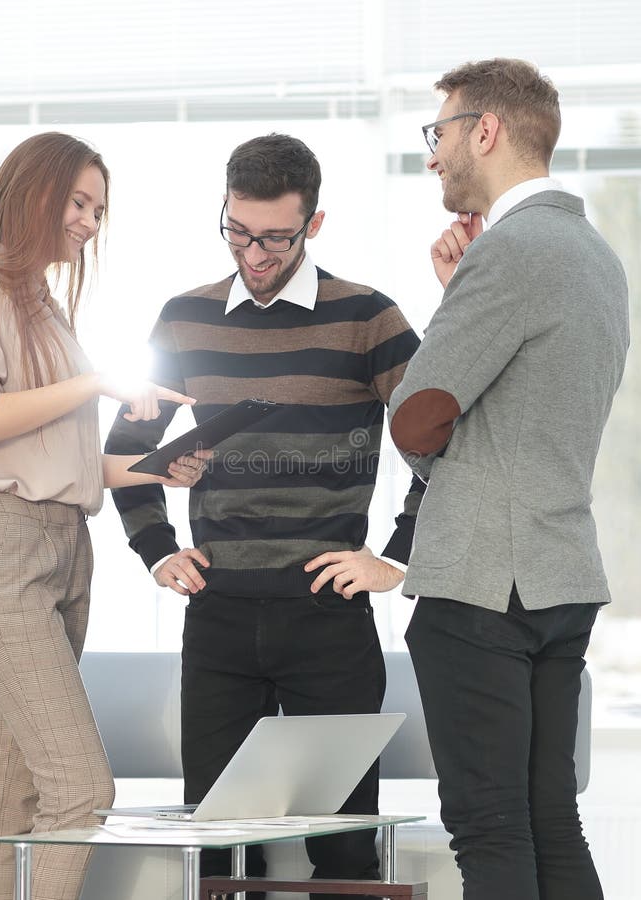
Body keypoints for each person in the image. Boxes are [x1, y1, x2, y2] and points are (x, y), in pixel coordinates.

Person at [104, 132, 424, 893]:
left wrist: (395, 556)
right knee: (213, 850)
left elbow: (447, 449)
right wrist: (156, 548)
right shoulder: (183, 317)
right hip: (216, 618)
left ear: (313, 224)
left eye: (275, 237)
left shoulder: (369, 319)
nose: (254, 253)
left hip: (328, 617)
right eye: (238, 231)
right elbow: (127, 453)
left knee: (344, 851)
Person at [388, 58, 629, 900]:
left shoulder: (510, 251)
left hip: (486, 584)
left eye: (440, 132)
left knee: (489, 830)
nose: (433, 155)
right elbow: (522, 397)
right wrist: (462, 296)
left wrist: (457, 300)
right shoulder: (595, 256)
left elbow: (415, 417)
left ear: (484, 130)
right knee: (548, 822)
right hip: (558, 576)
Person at [0, 132, 207, 900]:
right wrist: (97, 383)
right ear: (32, 190)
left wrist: (157, 470)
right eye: (78, 202)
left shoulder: (42, 308)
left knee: (10, 802)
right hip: (3, 548)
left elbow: (59, 457)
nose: (89, 223)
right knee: (83, 788)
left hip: (67, 548)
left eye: (98, 209)